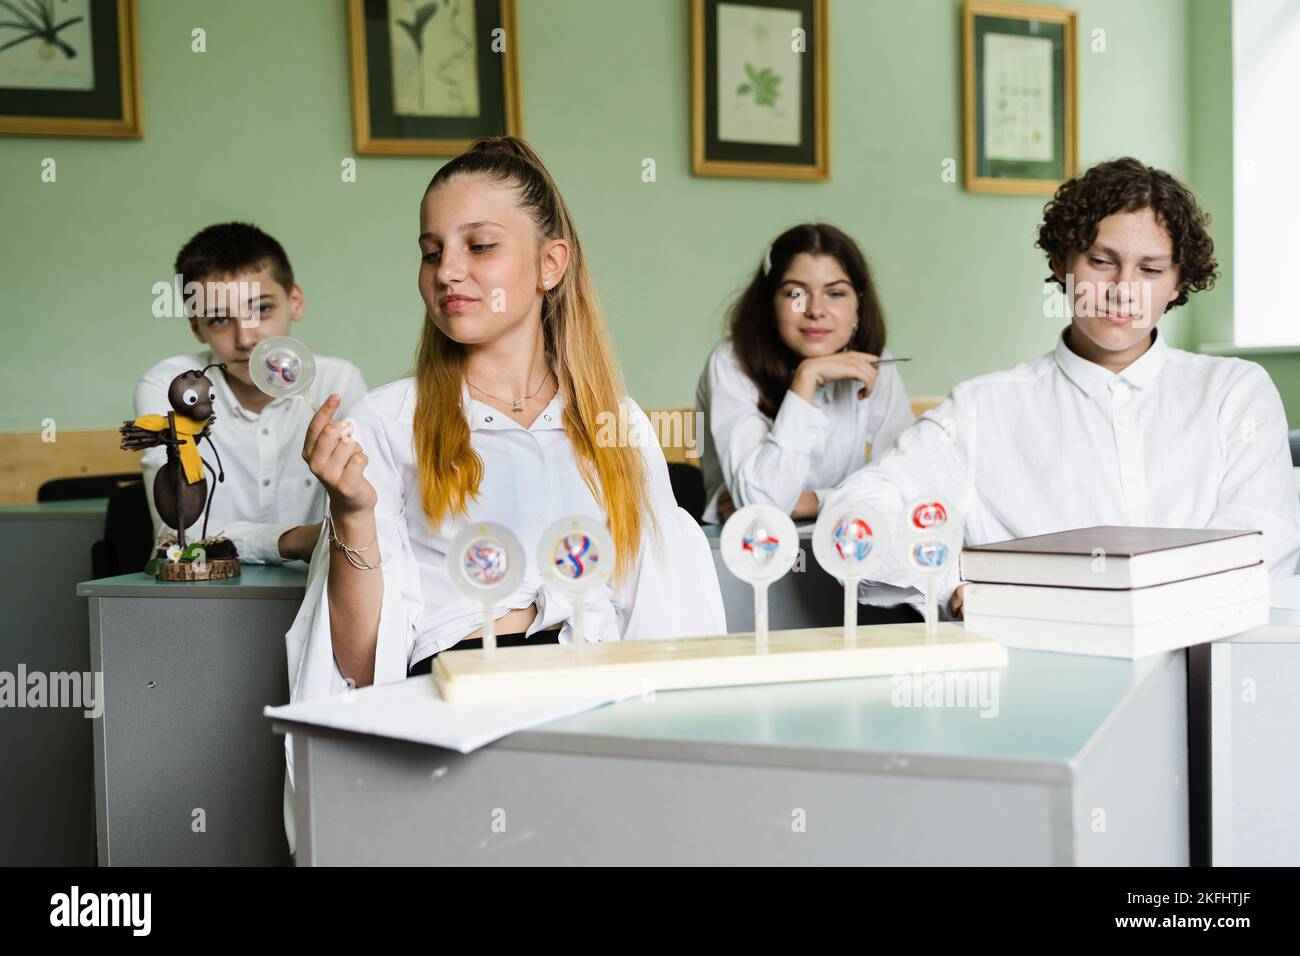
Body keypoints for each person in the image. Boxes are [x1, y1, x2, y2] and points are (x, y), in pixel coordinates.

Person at [821, 157, 1300, 618]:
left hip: (1213, 663)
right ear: (1061, 262)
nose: (1123, 290)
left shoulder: (1234, 392)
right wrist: (948, 580)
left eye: (1150, 270)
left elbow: (1260, 544)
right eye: (1101, 261)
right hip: (1045, 671)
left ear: (1178, 283)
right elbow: (853, 518)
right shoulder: (981, 409)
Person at [134, 222, 366, 562]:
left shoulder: (339, 382)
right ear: (196, 328)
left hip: (316, 595)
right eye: (218, 319)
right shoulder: (171, 388)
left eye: (261, 309)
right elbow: (176, 531)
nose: (245, 338)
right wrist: (294, 540)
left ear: (295, 302)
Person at [696, 223, 914, 526]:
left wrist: (810, 503)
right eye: (795, 293)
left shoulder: (875, 362)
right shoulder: (731, 362)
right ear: (772, 303)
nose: (815, 310)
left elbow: (906, 485)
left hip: (850, 548)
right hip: (746, 555)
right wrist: (807, 377)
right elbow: (763, 506)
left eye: (835, 293)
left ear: (858, 307)